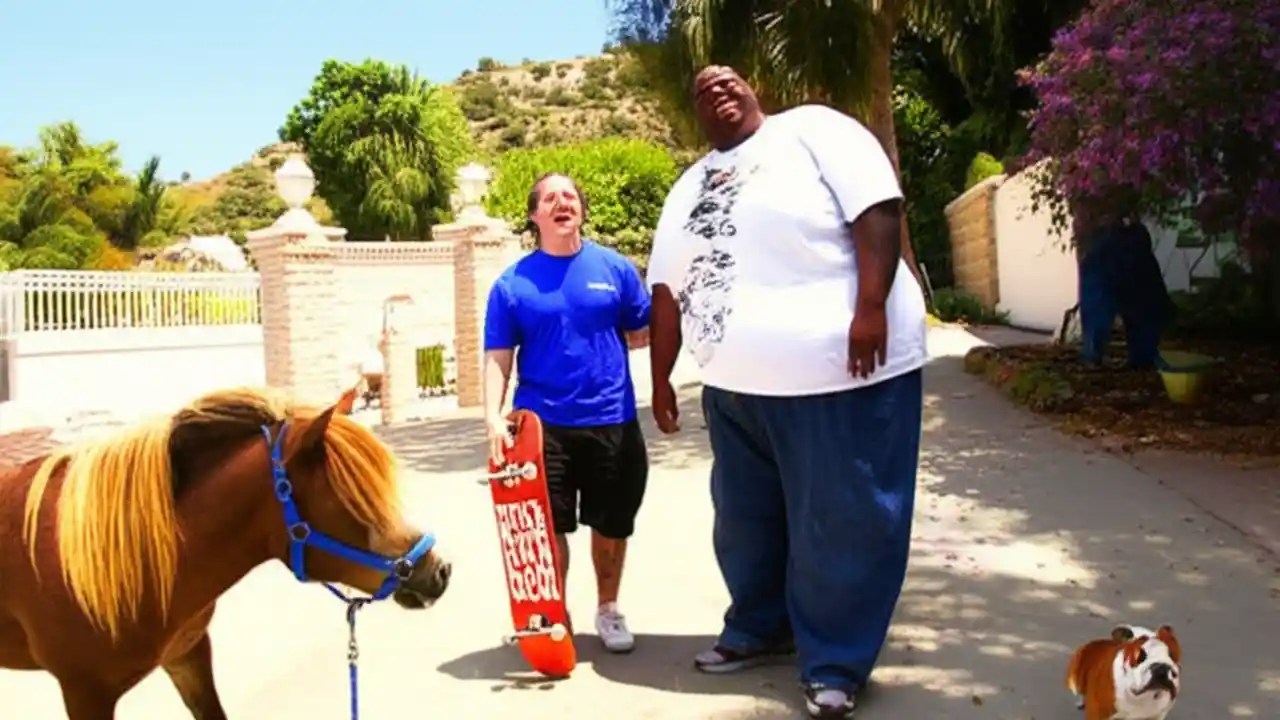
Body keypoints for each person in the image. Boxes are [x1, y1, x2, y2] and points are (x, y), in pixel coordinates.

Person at [646, 65, 928, 718]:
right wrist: (660, 378)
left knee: (842, 521)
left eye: (728, 80)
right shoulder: (688, 186)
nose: (717, 88)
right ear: (695, 114)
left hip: (841, 374)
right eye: (702, 89)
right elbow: (666, 291)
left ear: (754, 91)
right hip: (733, 390)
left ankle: (836, 662)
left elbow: (878, 210)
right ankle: (761, 626)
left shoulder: (814, 130)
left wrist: (870, 307)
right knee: (746, 524)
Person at [482, 172, 652, 653]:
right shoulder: (512, 284)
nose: (563, 203)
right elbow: (499, 354)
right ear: (534, 215)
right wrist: (492, 415)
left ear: (581, 209)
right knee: (547, 527)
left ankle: (608, 609)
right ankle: (554, 613)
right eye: (550, 198)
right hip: (541, 427)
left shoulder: (614, 268)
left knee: (612, 524)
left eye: (570, 196)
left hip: (611, 419)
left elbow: (642, 328)